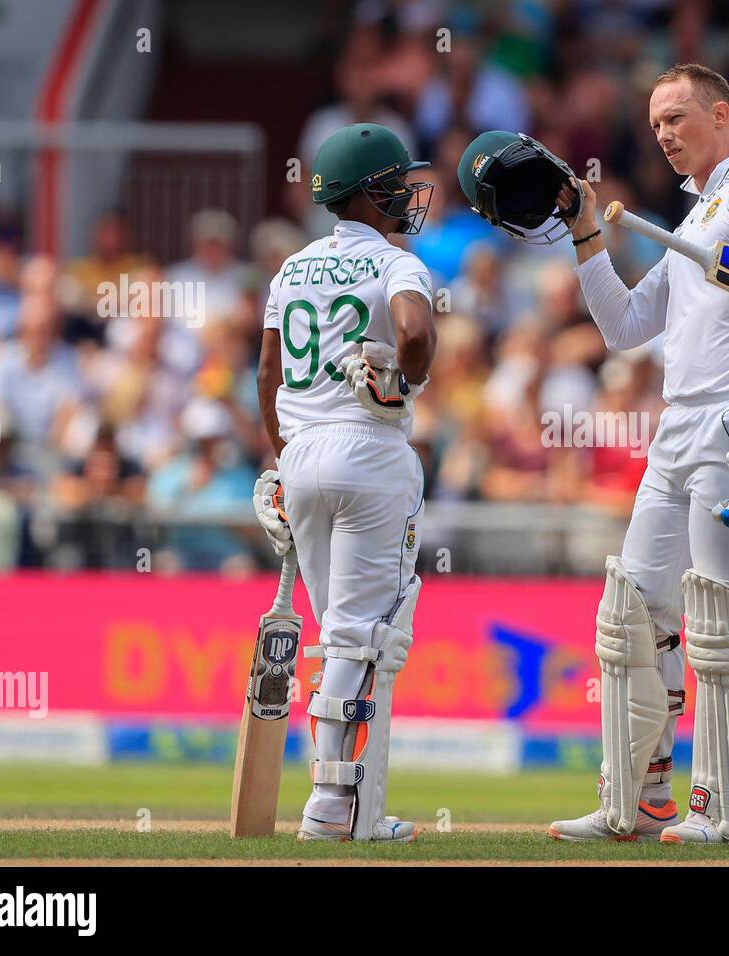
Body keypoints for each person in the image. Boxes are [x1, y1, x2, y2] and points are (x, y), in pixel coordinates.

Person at [547, 64, 729, 844]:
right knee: (631, 612)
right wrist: (586, 236)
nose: (663, 132)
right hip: (677, 429)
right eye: (655, 121)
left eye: (677, 116)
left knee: (724, 623)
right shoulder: (692, 219)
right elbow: (626, 326)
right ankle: (637, 798)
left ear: (721, 115)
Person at [253, 123, 437, 843]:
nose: (406, 193)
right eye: (396, 181)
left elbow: (267, 374)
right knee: (367, 639)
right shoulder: (398, 262)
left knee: (339, 639)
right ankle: (336, 807)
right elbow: (415, 333)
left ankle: (342, 801)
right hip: (371, 451)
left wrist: (281, 458)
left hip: (301, 456)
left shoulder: (290, 267)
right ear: (371, 191)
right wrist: (408, 379)